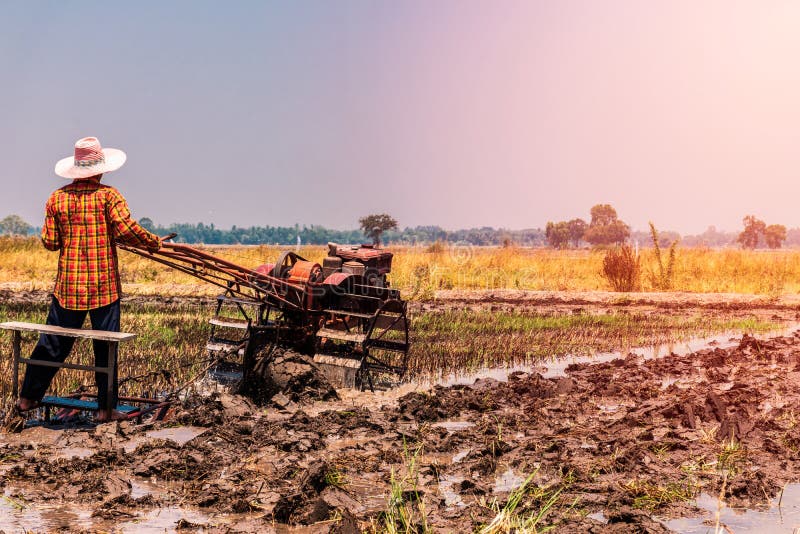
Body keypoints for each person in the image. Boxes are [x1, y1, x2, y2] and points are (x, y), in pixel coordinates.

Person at [16, 136, 161, 422]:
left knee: (52, 345)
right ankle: (106, 411)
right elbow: (126, 229)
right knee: (106, 348)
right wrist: (152, 242)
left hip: (67, 288)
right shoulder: (109, 196)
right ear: (100, 170)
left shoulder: (57, 198)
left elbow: (50, 242)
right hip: (103, 288)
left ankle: (26, 399)